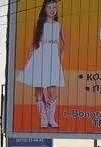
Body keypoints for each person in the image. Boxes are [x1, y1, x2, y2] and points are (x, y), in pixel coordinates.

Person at [18, 0, 66, 129]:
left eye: (54, 7)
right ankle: (44, 118)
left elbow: (64, 42)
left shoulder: (58, 25)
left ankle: (51, 118)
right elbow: (34, 43)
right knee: (39, 88)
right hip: (39, 55)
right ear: (44, 9)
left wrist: (61, 55)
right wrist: (27, 60)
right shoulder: (39, 24)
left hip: (53, 57)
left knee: (52, 90)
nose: (52, 10)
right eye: (49, 7)